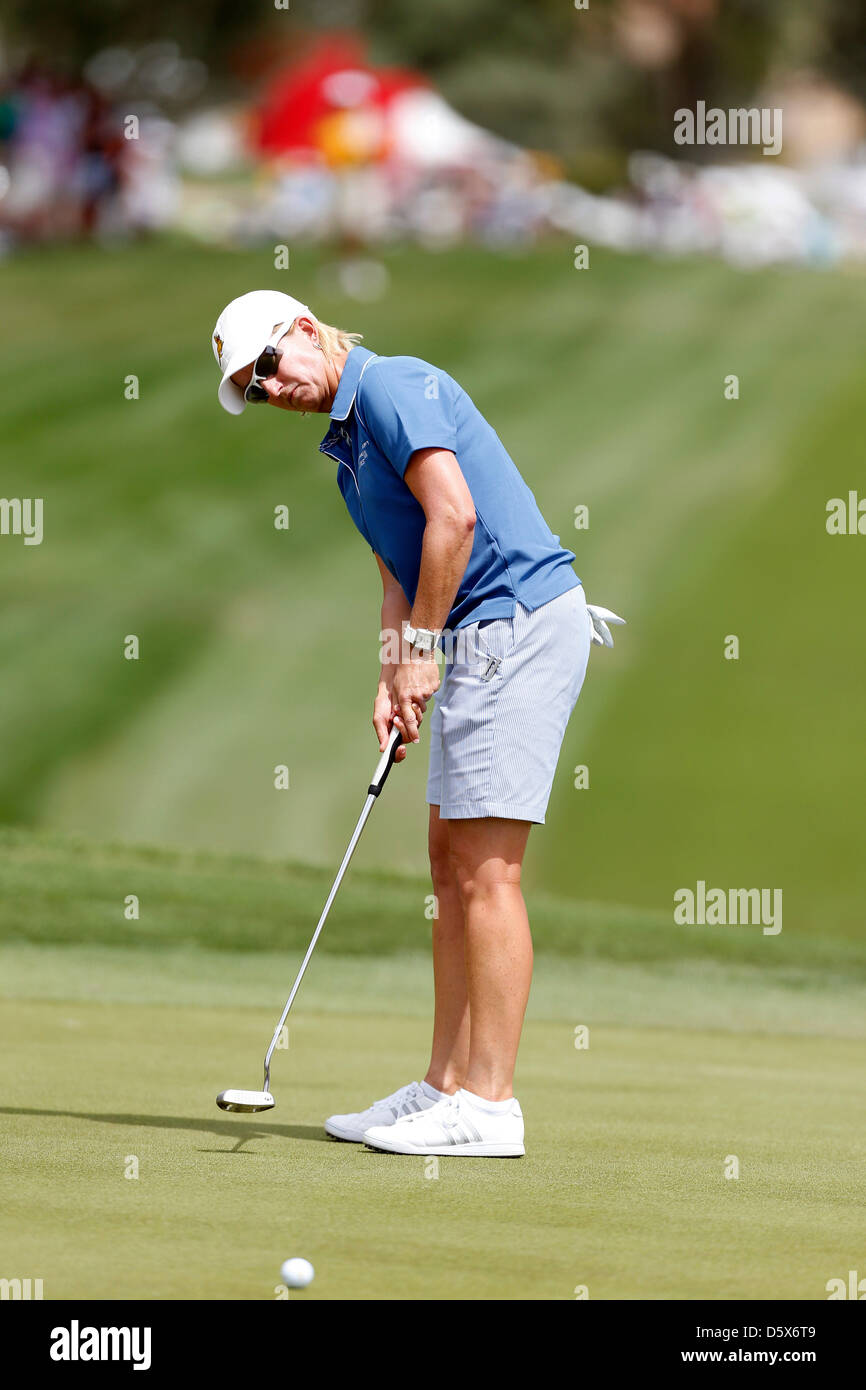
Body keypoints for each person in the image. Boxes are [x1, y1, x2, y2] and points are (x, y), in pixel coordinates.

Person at [211, 289, 623, 1157]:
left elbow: (456, 517)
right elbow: (401, 571)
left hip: (513, 623)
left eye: (270, 365)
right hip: (469, 636)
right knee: (447, 862)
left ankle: (490, 1105)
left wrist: (425, 649)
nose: (268, 389)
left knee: (487, 874)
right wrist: (394, 669)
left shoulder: (393, 385)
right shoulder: (346, 455)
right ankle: (443, 1088)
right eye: (252, 386)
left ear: (308, 330)